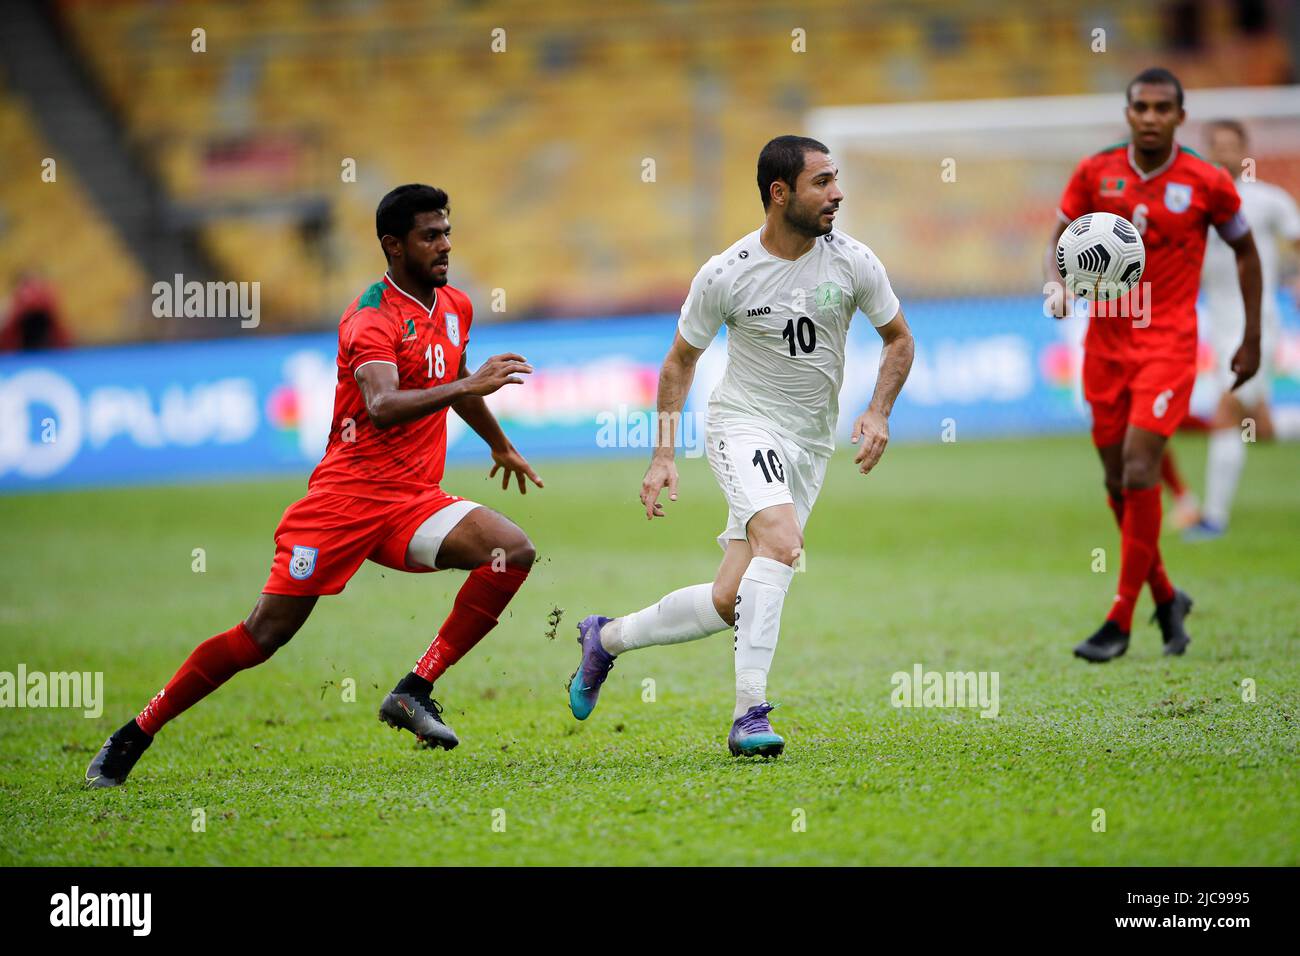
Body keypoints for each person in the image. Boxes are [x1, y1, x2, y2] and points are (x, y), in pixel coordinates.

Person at [86, 185, 543, 787]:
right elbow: (382, 405)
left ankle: (413, 690)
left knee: (510, 551)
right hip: (344, 502)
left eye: (447, 231)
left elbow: (452, 374)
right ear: (393, 245)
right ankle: (135, 733)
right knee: (262, 635)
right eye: (430, 235)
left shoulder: (456, 305)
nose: (445, 245)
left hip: (412, 501)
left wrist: (497, 442)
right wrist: (468, 389)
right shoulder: (369, 318)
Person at [566, 135, 914, 756]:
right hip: (742, 422)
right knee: (782, 544)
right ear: (780, 194)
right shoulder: (726, 274)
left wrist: (879, 411)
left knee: (732, 598)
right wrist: (664, 455)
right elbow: (679, 364)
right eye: (822, 183)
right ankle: (749, 714)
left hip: (809, 444)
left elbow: (898, 339)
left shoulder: (854, 261)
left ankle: (605, 639)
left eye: (836, 180)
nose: (837, 194)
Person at [1044, 69, 1262, 663]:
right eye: (1141, 106)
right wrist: (1058, 282)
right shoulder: (1096, 171)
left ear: (1179, 117)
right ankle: (1168, 599)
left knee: (1142, 467)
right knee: (1118, 480)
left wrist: (1252, 336)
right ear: (1128, 111)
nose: (1150, 116)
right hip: (1106, 347)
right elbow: (1061, 236)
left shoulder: (1206, 181)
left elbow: (1246, 251)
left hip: (1167, 345)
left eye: (1162, 107)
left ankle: (1119, 619)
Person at [1185, 118, 1300, 540]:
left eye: (1232, 146)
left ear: (1245, 150)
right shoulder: (1195, 204)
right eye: (1216, 146)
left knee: (1226, 412)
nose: (1225, 154)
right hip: (1218, 323)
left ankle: (1213, 517)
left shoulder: (1268, 200)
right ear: (1207, 152)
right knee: (1260, 428)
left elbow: (1296, 240)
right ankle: (1212, 516)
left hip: (1257, 322)